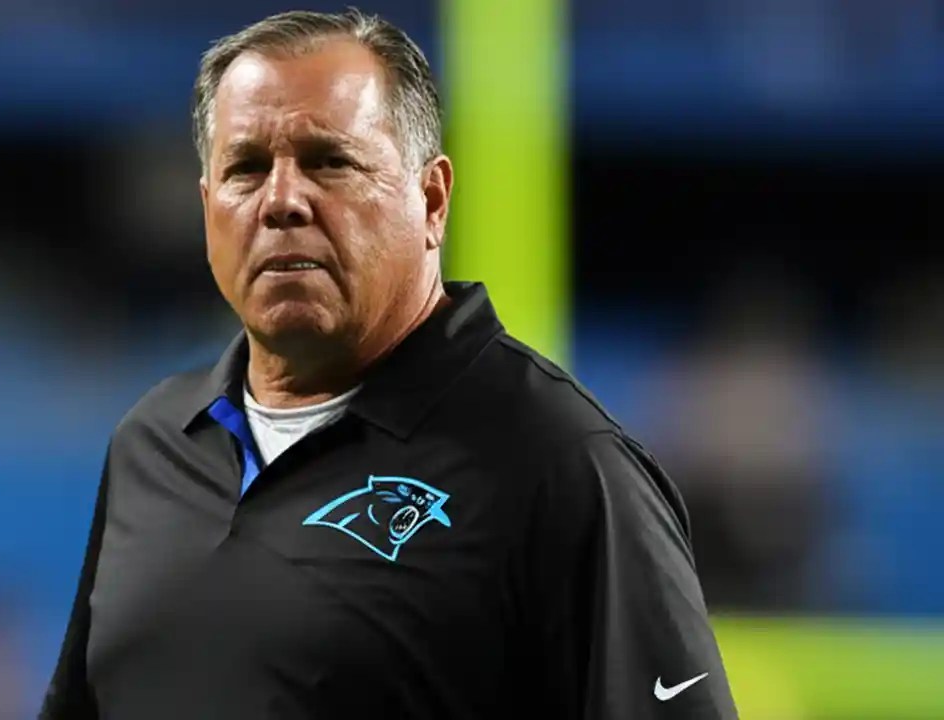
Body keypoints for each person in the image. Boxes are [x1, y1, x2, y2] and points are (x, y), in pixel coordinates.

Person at [40, 9, 737, 719]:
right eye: (246, 168)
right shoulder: (152, 443)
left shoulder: (559, 465)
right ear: (206, 206)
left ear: (431, 200)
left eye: (329, 161)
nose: (282, 200)